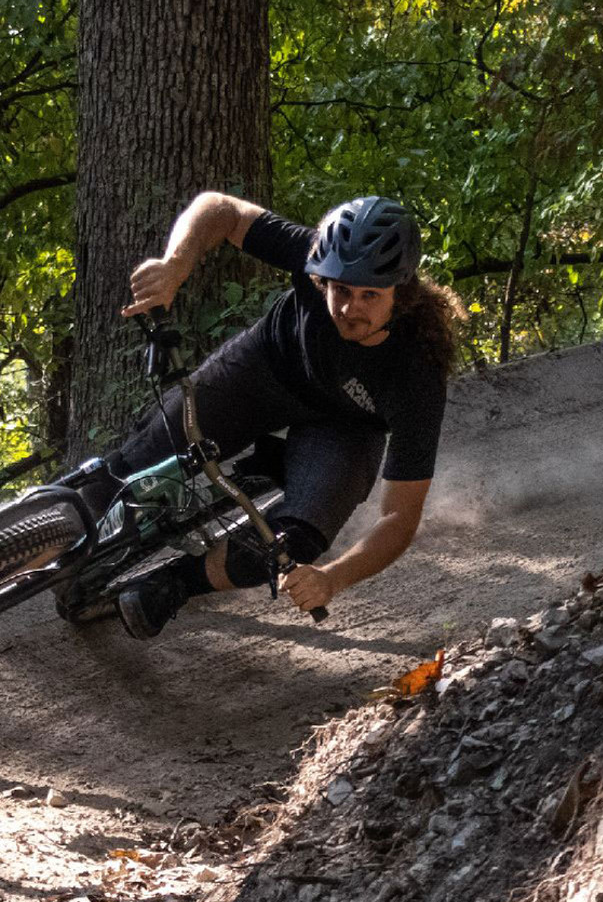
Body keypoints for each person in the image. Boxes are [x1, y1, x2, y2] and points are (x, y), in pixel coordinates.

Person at [100, 191, 463, 639]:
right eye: (340, 289)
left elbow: (399, 518)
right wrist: (176, 265)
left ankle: (177, 581)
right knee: (141, 461)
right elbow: (222, 210)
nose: (350, 308)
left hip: (345, 428)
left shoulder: (418, 374)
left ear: (401, 293)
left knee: (290, 545)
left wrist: (331, 578)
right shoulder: (313, 255)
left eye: (371, 294)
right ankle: (52, 523)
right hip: (267, 367)